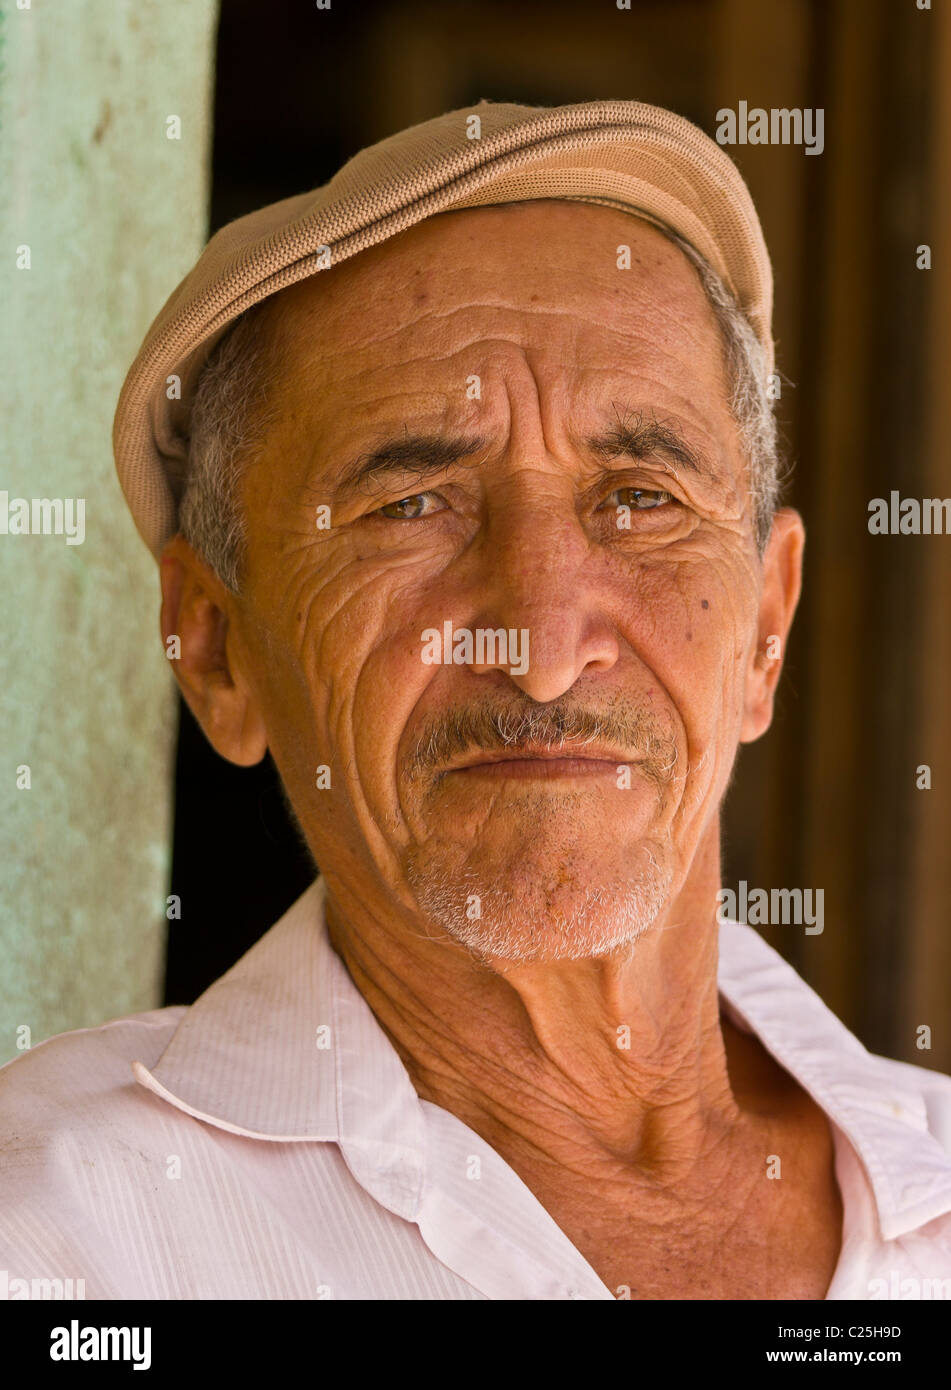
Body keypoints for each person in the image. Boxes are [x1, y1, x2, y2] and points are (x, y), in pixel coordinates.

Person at [3, 99, 950, 1301]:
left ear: (767, 626)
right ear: (217, 649)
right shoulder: (63, 1243)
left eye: (642, 497)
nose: (546, 649)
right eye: (412, 508)